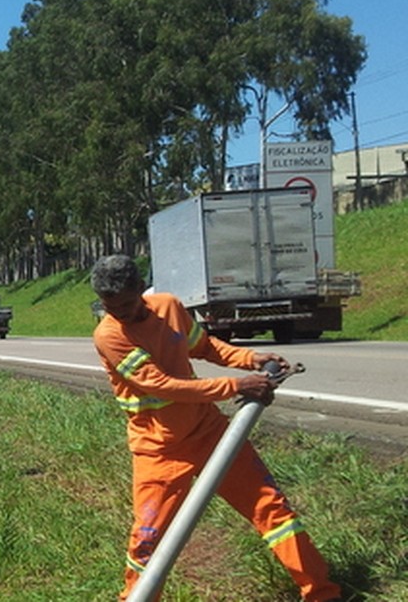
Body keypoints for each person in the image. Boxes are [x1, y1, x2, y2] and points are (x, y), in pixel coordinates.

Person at [90, 255, 341, 602]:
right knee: (148, 538)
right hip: (157, 450)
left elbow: (204, 347)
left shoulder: (169, 307)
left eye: (128, 304)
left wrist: (248, 359)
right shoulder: (109, 334)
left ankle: (322, 593)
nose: (122, 313)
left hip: (209, 434)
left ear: (140, 290)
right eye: (111, 306)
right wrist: (236, 386)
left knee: (273, 510)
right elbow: (162, 385)